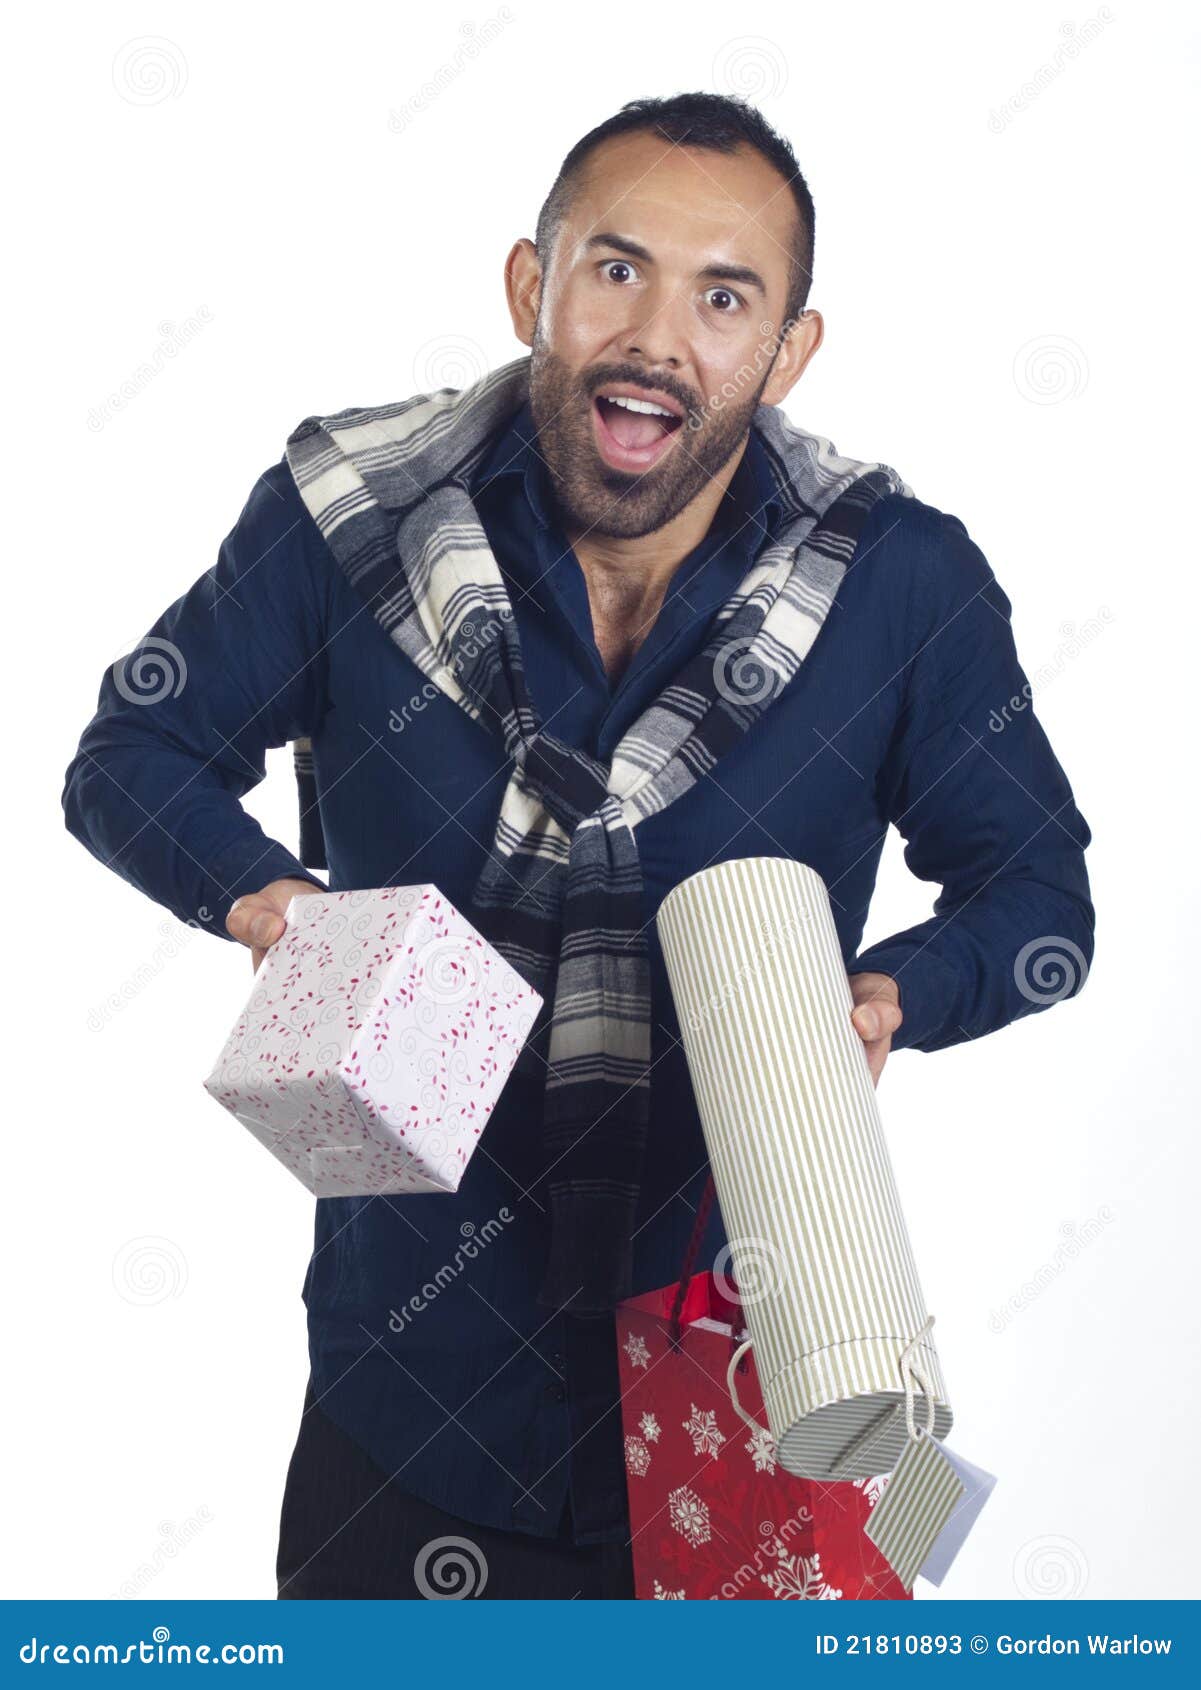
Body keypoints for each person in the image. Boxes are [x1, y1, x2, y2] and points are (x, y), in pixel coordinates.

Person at [61, 91, 1095, 1601]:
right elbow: (131, 756)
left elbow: (1034, 891)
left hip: (753, 1366)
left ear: (787, 350)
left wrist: (880, 1000)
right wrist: (281, 910)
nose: (658, 336)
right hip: (412, 1381)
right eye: (615, 269)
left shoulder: (900, 586)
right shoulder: (346, 520)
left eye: (722, 295)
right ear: (529, 287)